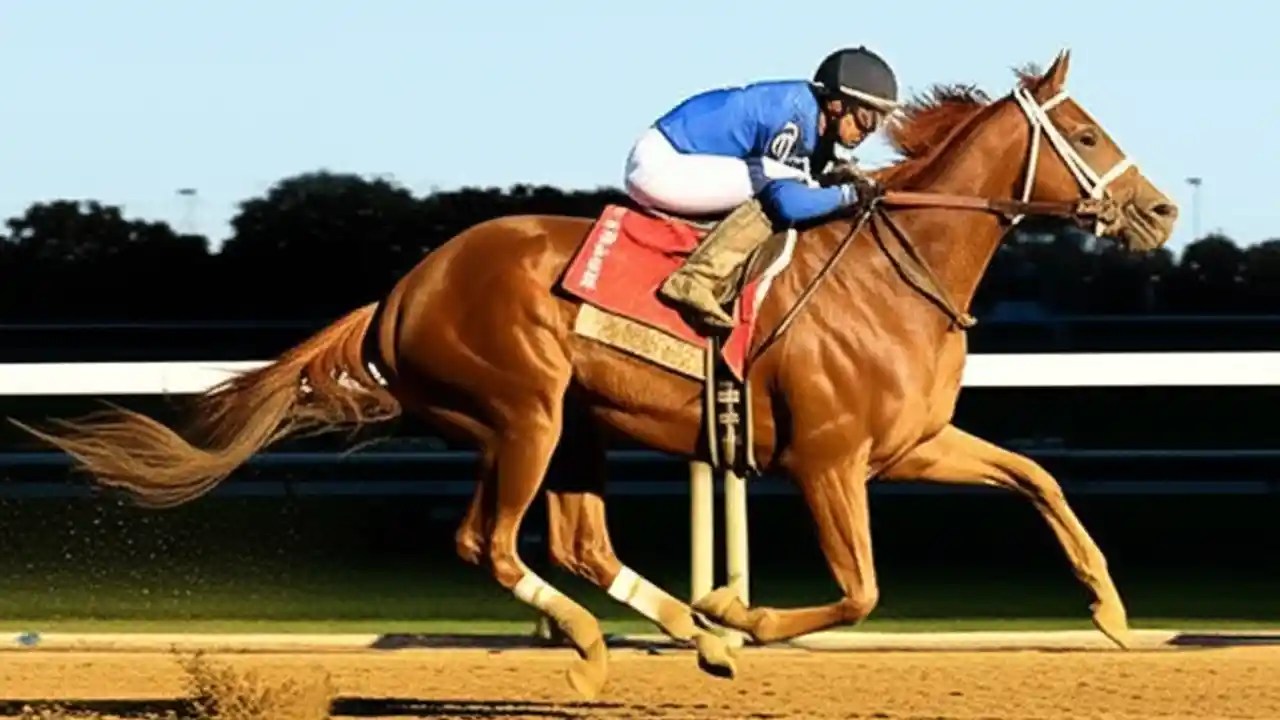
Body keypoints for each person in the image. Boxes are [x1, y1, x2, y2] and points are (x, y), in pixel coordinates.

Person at [624, 47, 900, 329]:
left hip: (680, 157)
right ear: (836, 104)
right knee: (779, 183)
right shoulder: (791, 118)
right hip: (661, 165)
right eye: (867, 118)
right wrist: (849, 195)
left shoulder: (814, 119)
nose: (868, 131)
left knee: (792, 180)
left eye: (878, 123)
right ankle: (695, 278)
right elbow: (788, 203)